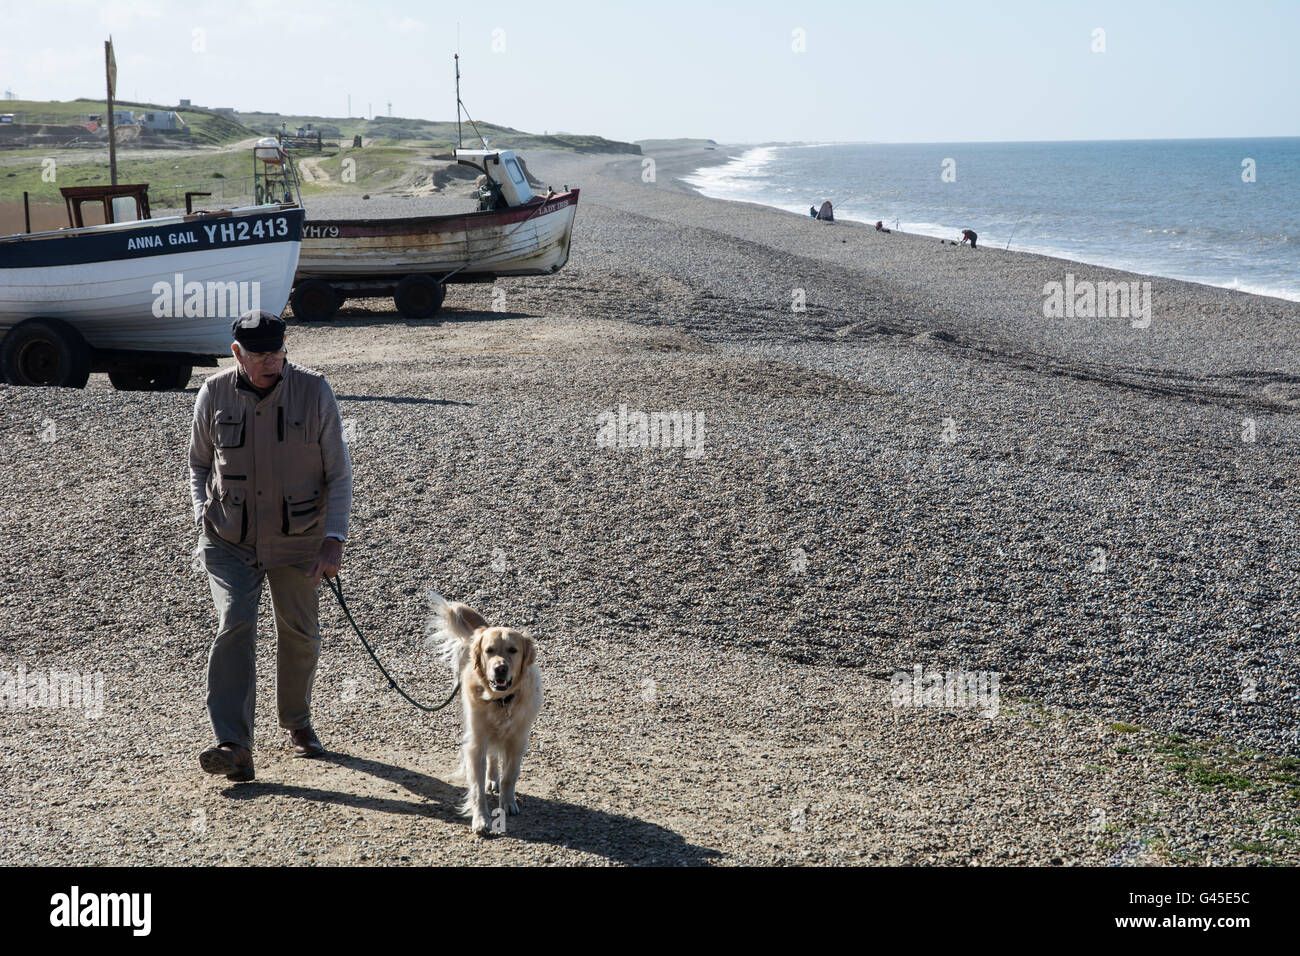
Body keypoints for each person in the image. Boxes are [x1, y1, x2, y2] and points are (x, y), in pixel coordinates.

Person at [189, 311, 353, 782]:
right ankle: (233, 743)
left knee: (300, 634)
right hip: (228, 539)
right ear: (237, 353)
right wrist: (202, 511)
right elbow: (199, 463)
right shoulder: (213, 392)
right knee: (233, 624)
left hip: (300, 540)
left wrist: (333, 540)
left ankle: (298, 723)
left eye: (277, 352)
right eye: (260, 355)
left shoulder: (315, 391)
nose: (271, 363)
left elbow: (339, 475)